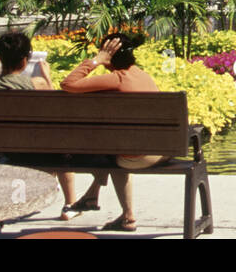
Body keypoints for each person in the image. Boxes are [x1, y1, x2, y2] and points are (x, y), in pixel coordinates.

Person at [59, 33, 165, 232]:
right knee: (114, 147)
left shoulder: (117, 79)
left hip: (140, 156)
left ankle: (127, 215)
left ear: (109, 56)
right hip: (164, 149)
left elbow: (68, 84)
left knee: (116, 155)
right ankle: (91, 196)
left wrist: (96, 61)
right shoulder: (141, 75)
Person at [0, 32, 81, 218]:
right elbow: (57, 108)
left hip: (2, 152)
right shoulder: (37, 83)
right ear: (25, 61)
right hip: (36, 151)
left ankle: (26, 196)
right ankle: (70, 205)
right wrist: (47, 78)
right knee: (61, 144)